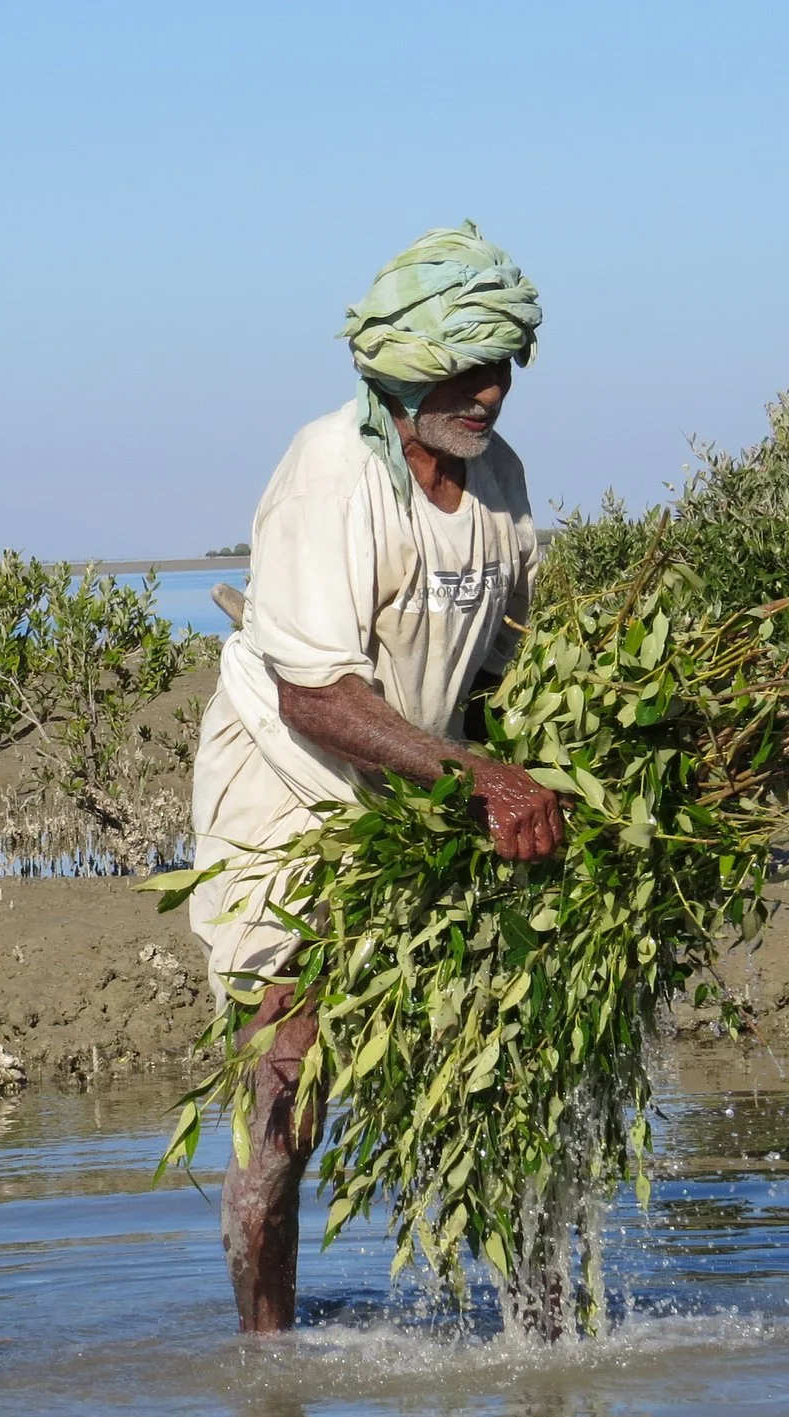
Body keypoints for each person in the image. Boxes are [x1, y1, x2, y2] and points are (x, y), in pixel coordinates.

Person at [187, 223, 566, 1333]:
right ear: (403, 370)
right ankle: (267, 1360)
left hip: (423, 784)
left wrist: (531, 770)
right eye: (466, 369)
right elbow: (315, 696)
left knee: (501, 1057)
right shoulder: (332, 472)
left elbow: (501, 663)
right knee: (286, 1075)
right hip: (291, 784)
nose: (489, 393)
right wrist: (485, 778)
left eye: (502, 368)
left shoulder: (498, 479)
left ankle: (542, 1342)